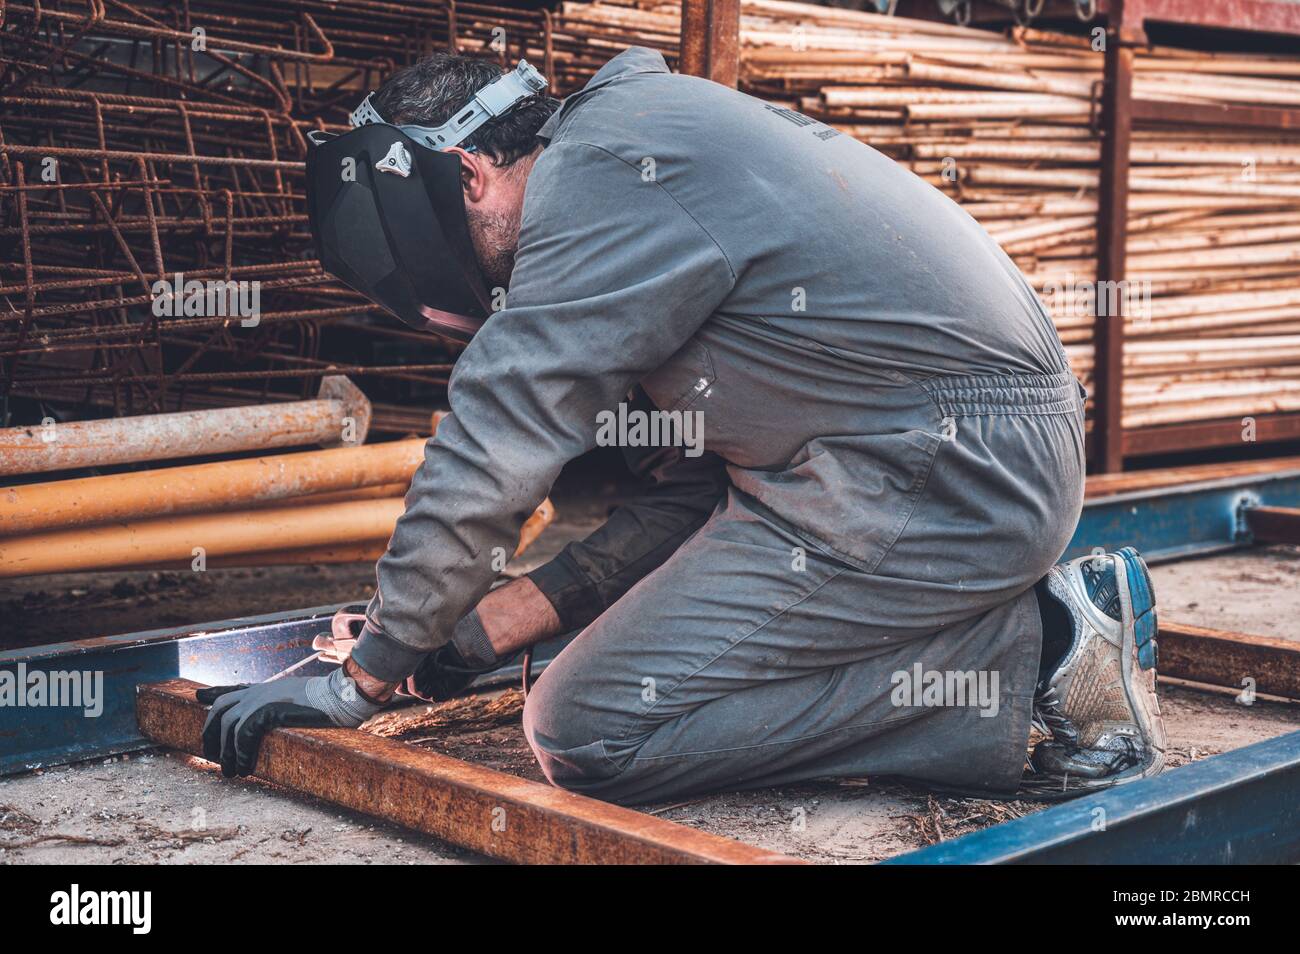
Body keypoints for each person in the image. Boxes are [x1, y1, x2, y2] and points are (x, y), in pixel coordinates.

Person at [199, 47, 1166, 804]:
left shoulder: (595, 186)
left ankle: (1038, 650)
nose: (489, 289)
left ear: (466, 178)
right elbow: (695, 491)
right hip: (926, 454)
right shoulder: (638, 148)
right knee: (615, 676)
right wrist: (482, 629)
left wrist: (361, 680)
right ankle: (1019, 628)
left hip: (941, 472)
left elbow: (493, 442)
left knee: (586, 732)